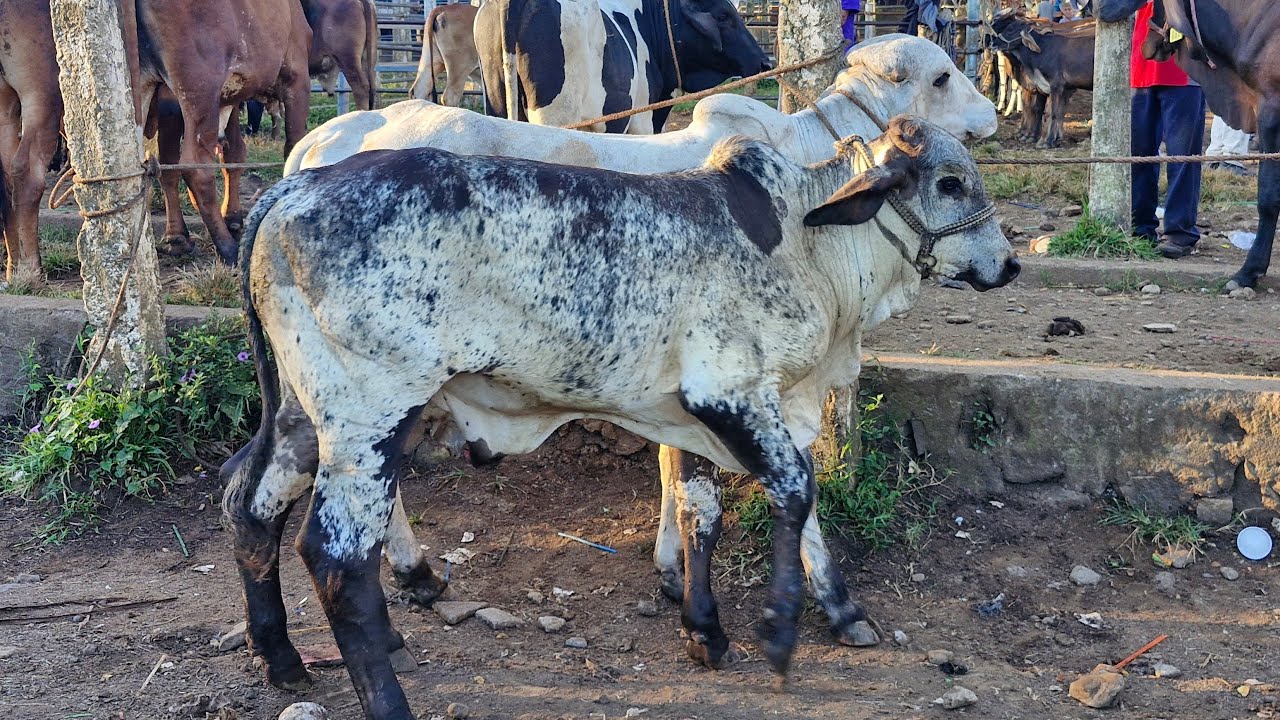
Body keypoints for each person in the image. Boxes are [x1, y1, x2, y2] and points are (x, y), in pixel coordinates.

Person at [1130, 1, 1205, 259]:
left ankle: (1180, 232)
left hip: (1185, 75)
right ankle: (1140, 227)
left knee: (1182, 159)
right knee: (1139, 157)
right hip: (1140, 72)